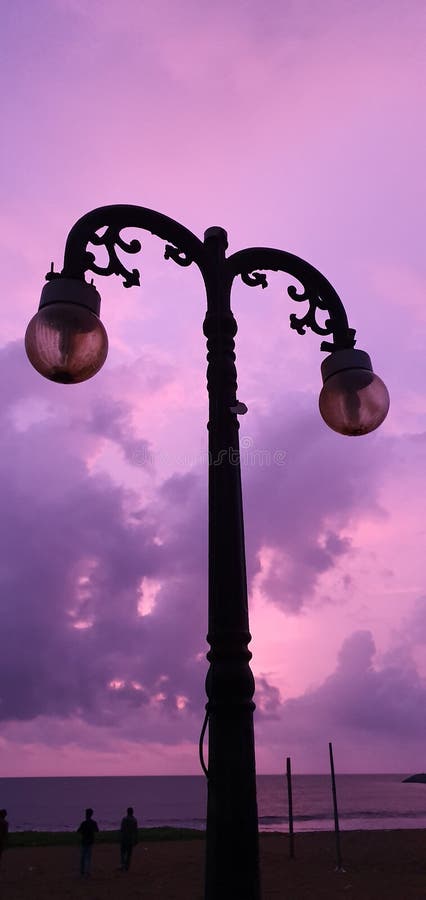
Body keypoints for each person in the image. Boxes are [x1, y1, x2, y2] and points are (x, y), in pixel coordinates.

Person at [77, 807, 99, 877]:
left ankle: (82, 871)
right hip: (90, 841)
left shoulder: (84, 823)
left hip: (84, 841)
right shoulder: (93, 823)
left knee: (83, 857)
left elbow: (78, 831)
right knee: (88, 857)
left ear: (86, 814)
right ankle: (87, 872)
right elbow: (97, 830)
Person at [119, 806, 138, 871]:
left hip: (124, 838)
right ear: (132, 812)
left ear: (127, 812)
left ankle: (123, 865)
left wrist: (120, 836)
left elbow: (121, 829)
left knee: (123, 853)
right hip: (130, 839)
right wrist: (136, 839)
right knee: (129, 853)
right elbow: (135, 831)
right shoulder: (134, 820)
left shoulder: (124, 819)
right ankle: (127, 866)